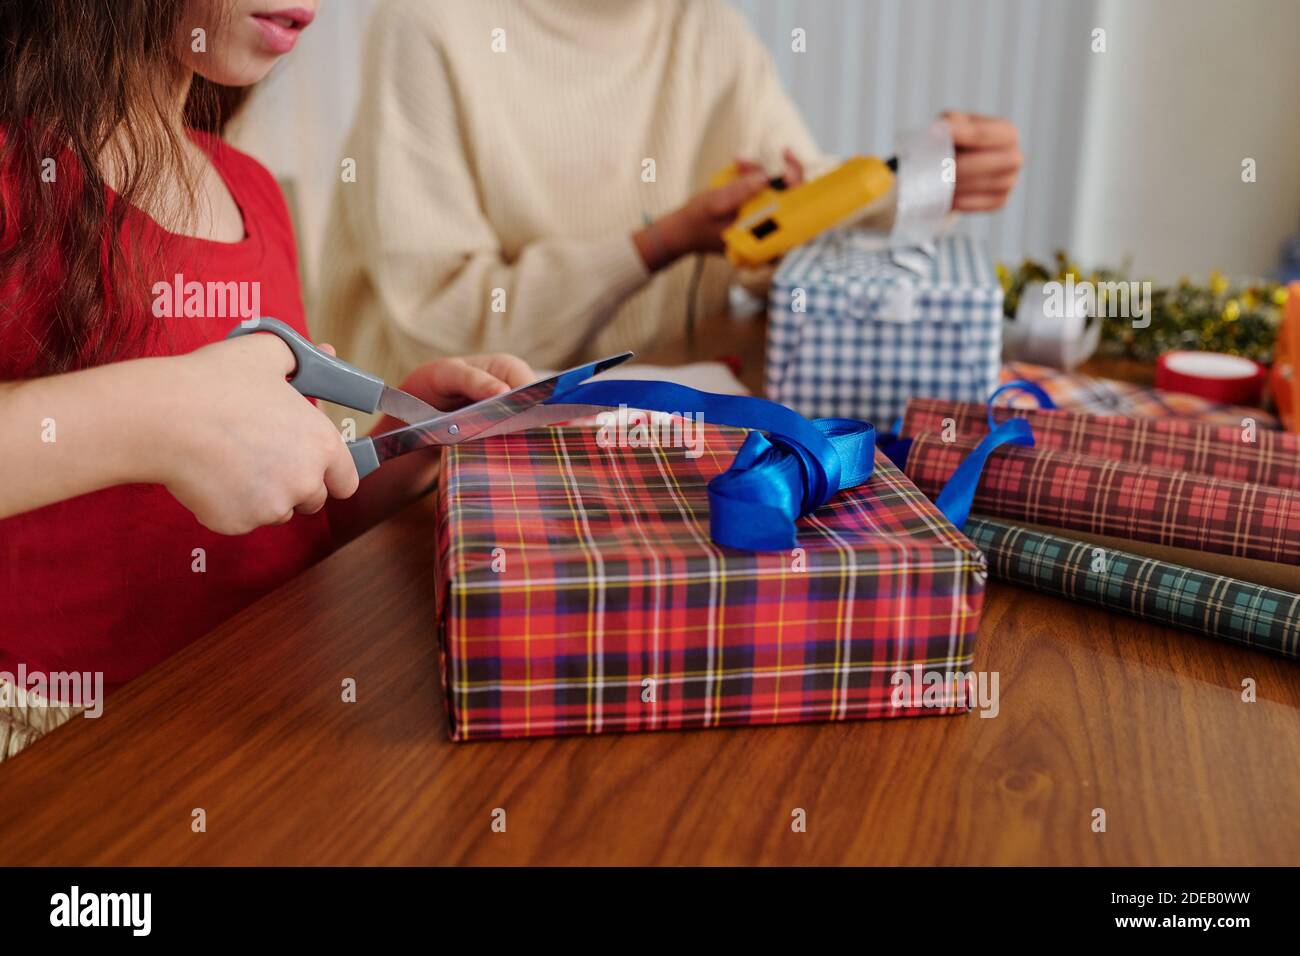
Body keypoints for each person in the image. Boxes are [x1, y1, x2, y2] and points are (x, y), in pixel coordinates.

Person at [0, 0, 532, 758]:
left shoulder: (254, 191)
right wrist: (164, 418)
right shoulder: (16, 176)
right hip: (70, 752)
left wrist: (401, 449)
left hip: (266, 712)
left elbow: (284, 535)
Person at [315, 0, 1023, 413]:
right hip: (424, 475)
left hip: (633, 423)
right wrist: (661, 242)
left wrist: (925, 179)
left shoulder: (702, 27)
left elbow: (794, 205)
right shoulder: (430, 24)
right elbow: (446, 337)